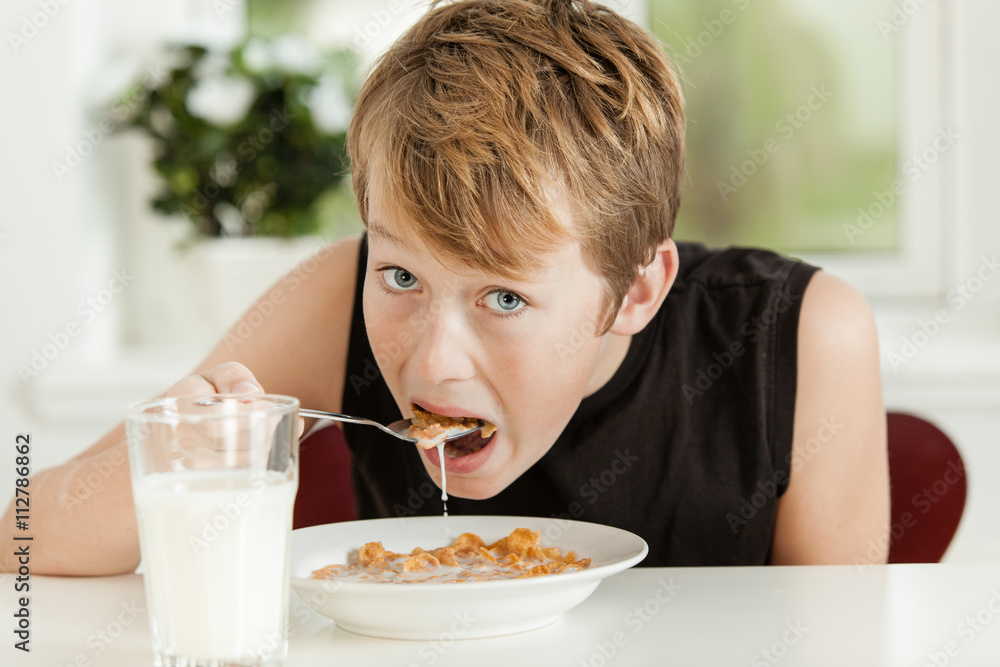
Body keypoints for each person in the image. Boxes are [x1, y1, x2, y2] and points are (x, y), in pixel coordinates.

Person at [1, 0, 888, 575]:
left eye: (504, 297)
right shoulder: (330, 297)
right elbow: (17, 543)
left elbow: (833, 641)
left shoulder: (800, 336)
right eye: (402, 275)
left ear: (637, 289)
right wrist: (169, 462)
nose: (432, 361)